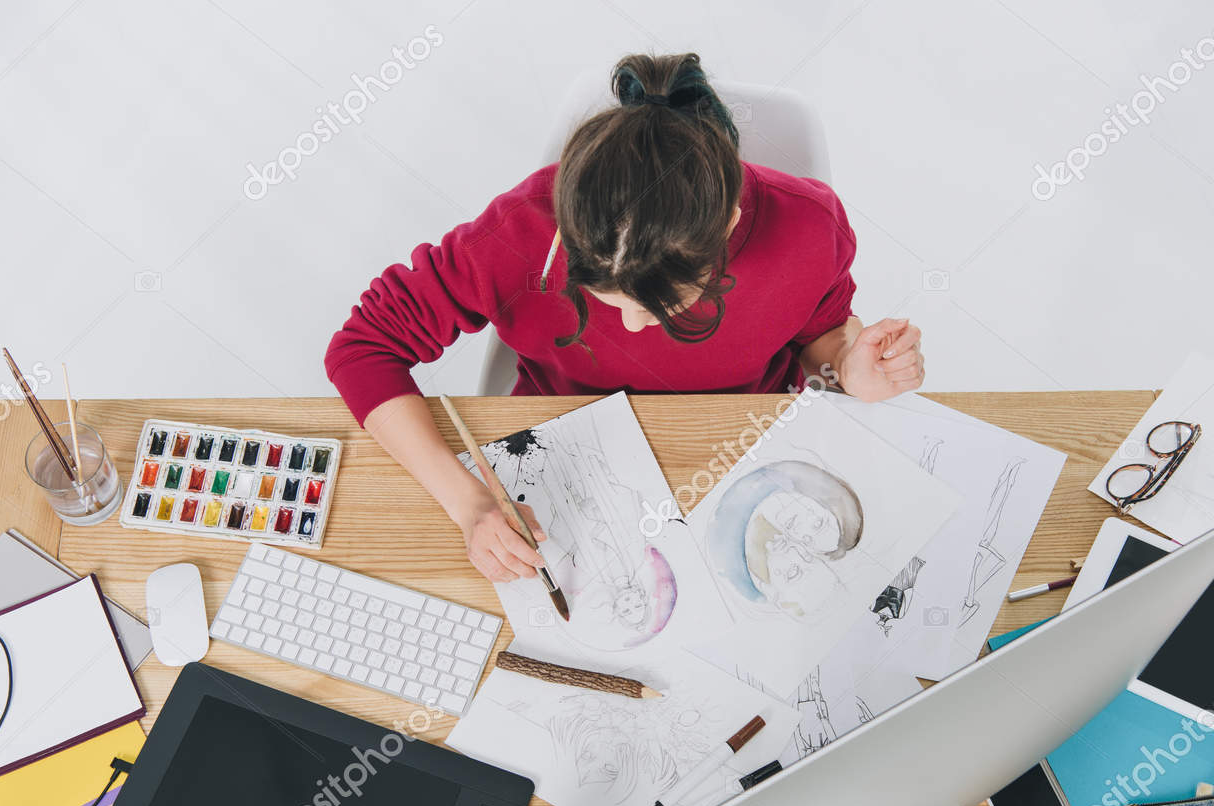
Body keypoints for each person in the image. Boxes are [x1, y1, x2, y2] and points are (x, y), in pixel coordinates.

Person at [326, 51, 924, 584]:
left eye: (663, 305)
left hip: (746, 447)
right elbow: (364, 349)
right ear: (562, 230)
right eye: (610, 302)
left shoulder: (808, 223)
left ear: (729, 227)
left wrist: (848, 367)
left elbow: (818, 336)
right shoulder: (520, 228)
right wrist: (469, 504)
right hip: (562, 449)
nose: (634, 329)